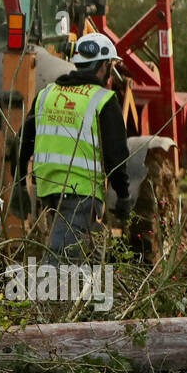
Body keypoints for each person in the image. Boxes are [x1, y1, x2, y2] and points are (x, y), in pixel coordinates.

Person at [16, 33, 132, 262]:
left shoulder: (46, 95)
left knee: (86, 258)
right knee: (62, 261)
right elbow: (115, 157)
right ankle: (51, 297)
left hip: (48, 192)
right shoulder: (105, 101)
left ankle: (85, 295)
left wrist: (20, 183)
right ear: (105, 66)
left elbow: (22, 143)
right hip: (82, 193)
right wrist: (124, 195)